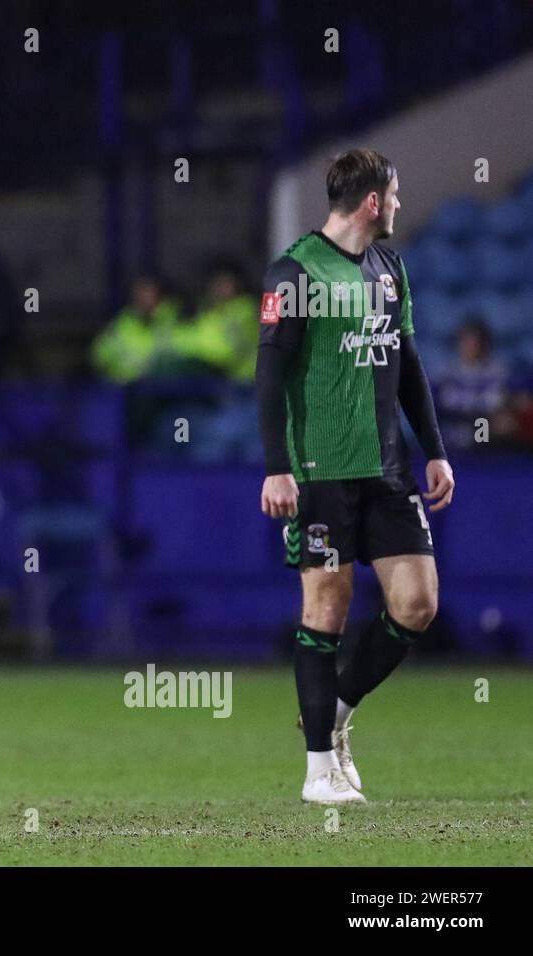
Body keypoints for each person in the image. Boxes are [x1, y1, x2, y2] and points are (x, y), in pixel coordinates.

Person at [257, 149, 455, 804]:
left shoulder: (389, 268)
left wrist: (435, 449)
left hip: (388, 469)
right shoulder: (295, 271)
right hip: (320, 473)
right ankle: (318, 772)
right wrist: (276, 468)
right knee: (326, 608)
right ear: (373, 199)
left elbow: (409, 364)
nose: (398, 204)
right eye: (394, 194)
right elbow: (269, 374)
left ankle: (337, 710)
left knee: (417, 604)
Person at [434, 316, 525, 452]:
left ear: (485, 343)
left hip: (487, 437)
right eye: (467, 341)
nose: (471, 346)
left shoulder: (499, 374)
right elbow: (436, 409)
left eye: (475, 341)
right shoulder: (445, 375)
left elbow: (512, 405)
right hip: (453, 434)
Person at [90, 274, 181, 383]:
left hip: (169, 388)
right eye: (141, 296)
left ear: (160, 297)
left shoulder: (174, 322)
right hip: (130, 390)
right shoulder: (122, 326)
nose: (145, 301)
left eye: (150, 295)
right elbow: (99, 355)